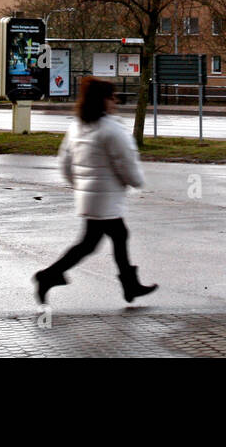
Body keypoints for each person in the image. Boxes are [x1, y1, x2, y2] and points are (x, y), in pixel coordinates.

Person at [34, 77, 157, 305]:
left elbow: (65, 162)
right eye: (112, 97)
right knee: (106, 238)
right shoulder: (112, 130)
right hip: (106, 198)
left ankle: (129, 285)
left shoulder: (77, 126)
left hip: (89, 197)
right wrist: (136, 181)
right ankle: (48, 276)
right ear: (103, 100)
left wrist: (80, 185)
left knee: (100, 240)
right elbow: (126, 163)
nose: (115, 101)